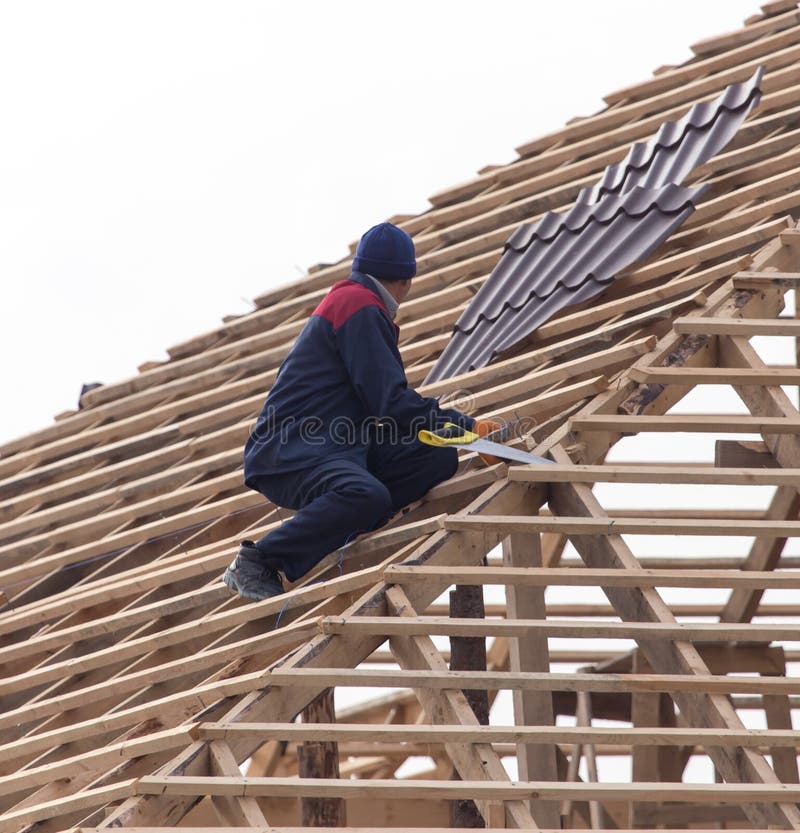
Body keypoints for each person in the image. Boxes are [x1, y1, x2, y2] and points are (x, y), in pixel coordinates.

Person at [223, 222, 498, 601]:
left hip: (340, 443)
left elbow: (383, 408)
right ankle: (258, 560)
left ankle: (356, 516)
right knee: (365, 494)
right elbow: (392, 402)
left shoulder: (356, 303)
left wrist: (457, 436)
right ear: (406, 279)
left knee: (434, 459)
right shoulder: (358, 307)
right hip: (293, 448)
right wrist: (467, 428)